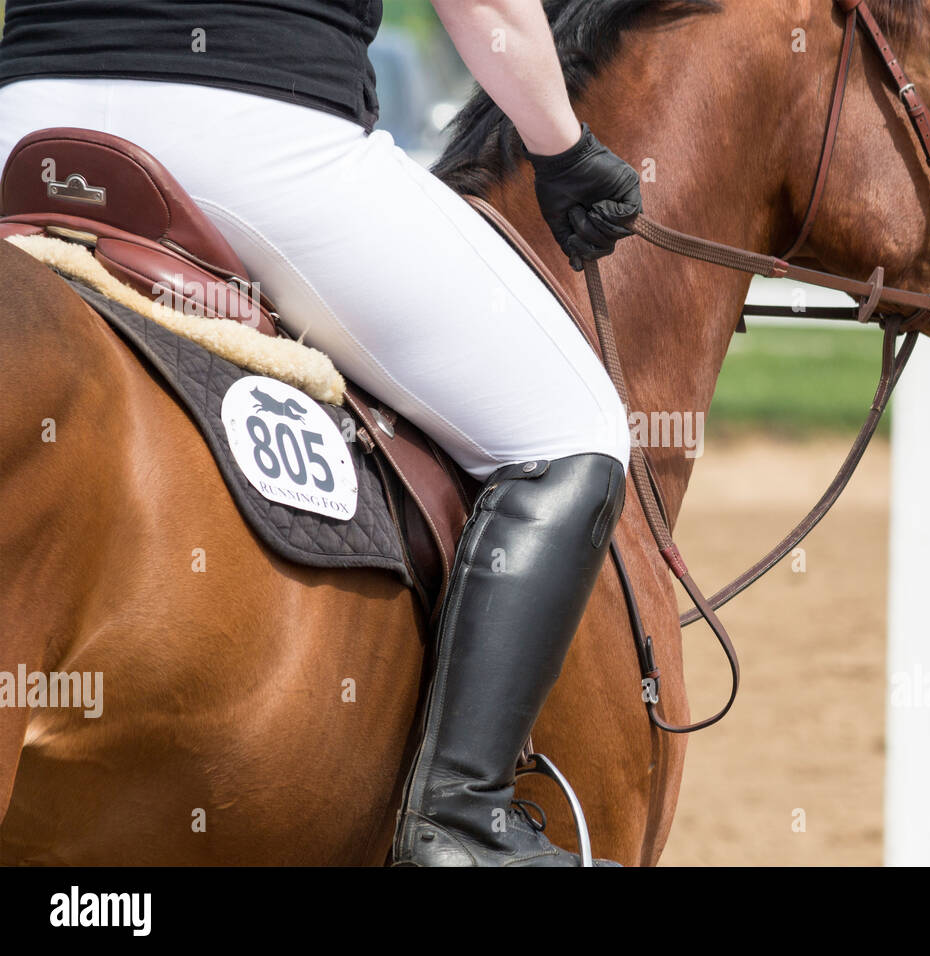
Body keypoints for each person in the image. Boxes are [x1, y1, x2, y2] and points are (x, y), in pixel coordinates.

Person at [0, 0, 640, 867]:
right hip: (249, 129)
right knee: (572, 425)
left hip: (22, 123)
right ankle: (459, 819)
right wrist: (563, 148)